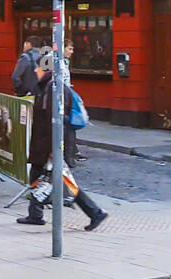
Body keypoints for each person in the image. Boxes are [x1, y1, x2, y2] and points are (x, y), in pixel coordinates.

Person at [17, 51, 108, 230]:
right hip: (45, 145)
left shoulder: (54, 89)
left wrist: (54, 149)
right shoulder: (46, 87)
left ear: (47, 69)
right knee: (39, 176)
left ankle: (95, 212)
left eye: (38, 67)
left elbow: (55, 122)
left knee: (62, 181)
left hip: (50, 145)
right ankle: (35, 213)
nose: (35, 70)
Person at [63, 43, 87, 164]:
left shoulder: (65, 62)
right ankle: (69, 155)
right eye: (70, 49)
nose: (72, 51)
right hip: (60, 98)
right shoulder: (54, 60)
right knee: (68, 125)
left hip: (66, 97)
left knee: (68, 125)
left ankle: (70, 154)